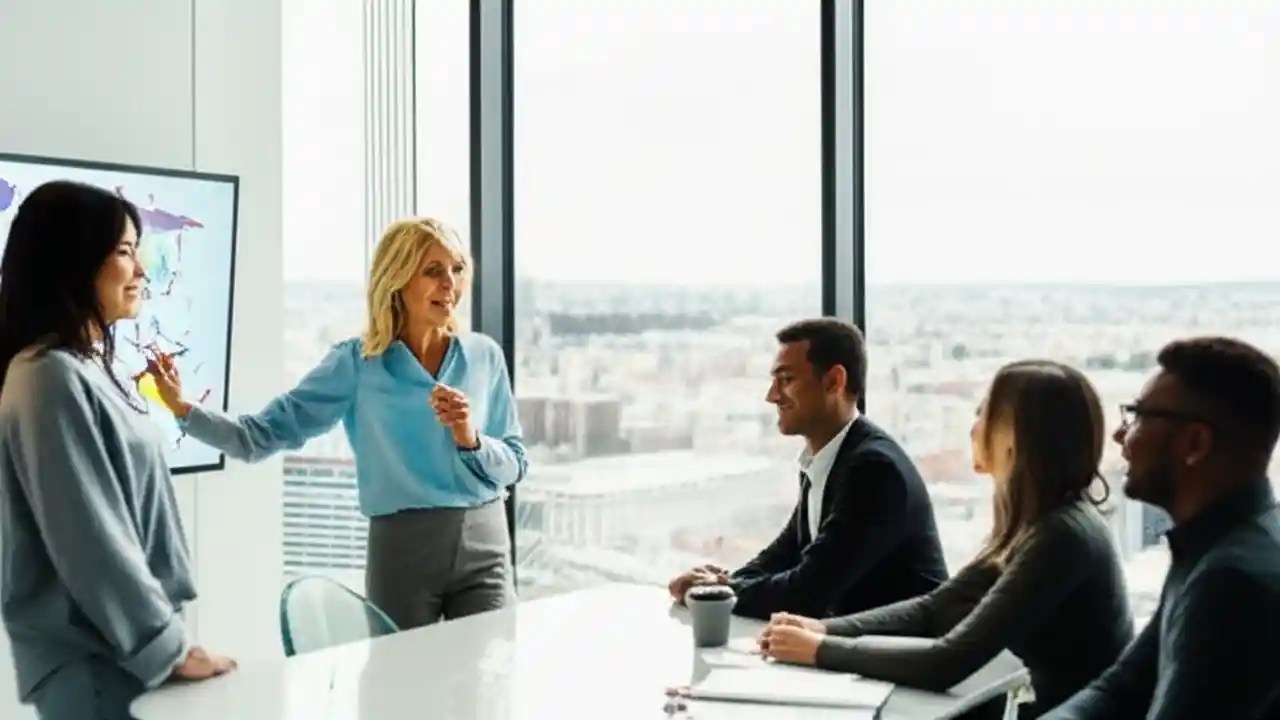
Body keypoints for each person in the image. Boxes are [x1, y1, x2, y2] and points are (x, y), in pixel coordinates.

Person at [150, 217, 526, 630]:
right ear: (396, 279)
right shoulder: (356, 365)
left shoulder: (485, 356)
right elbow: (258, 437)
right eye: (432, 271)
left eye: (456, 269)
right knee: (394, 684)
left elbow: (515, 464)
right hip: (403, 551)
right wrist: (183, 410)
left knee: (489, 680)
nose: (449, 283)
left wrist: (470, 438)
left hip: (486, 544)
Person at [759, 360, 1133, 718]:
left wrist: (822, 650)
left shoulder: (1061, 537)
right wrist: (821, 629)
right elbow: (934, 610)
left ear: (1015, 437)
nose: (973, 428)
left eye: (983, 414)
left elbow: (947, 661)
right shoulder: (1040, 523)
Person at [0, 181, 234, 720]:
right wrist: (169, 649)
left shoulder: (86, 369)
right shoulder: (47, 377)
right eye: (125, 252)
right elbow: (89, 535)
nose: (141, 272)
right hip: (96, 663)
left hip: (119, 654)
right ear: (72, 261)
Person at [1044, 337, 1280, 719]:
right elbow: (1121, 688)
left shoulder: (1232, 582)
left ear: (1195, 443)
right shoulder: (1219, 545)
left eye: (1138, 416)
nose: (1122, 437)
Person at [668, 318, 948, 620]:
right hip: (861, 647)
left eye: (786, 380)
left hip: (903, 656)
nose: (772, 395)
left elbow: (808, 591)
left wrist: (719, 591)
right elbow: (783, 554)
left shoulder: (874, 469)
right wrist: (722, 584)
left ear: (834, 382)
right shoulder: (827, 457)